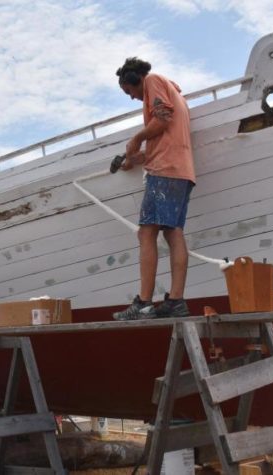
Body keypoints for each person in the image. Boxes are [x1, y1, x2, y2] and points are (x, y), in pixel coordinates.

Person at [112, 57, 195, 321]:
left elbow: (163, 119)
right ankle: (176, 301)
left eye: (129, 91)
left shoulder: (153, 82)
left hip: (165, 172)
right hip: (180, 171)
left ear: (136, 80)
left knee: (146, 234)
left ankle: (144, 303)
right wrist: (134, 159)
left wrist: (136, 138)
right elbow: (165, 138)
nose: (132, 98)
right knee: (173, 233)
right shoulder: (174, 91)